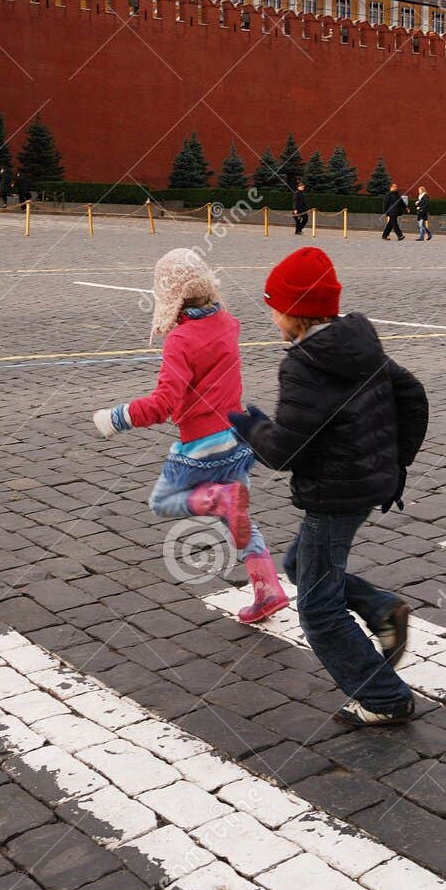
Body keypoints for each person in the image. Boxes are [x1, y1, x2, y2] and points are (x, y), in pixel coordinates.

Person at [229, 247, 428, 727]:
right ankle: (382, 609)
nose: (272, 315)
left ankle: (383, 698)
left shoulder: (305, 364)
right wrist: (393, 463)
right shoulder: (358, 344)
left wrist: (245, 423)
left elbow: (285, 453)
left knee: (317, 609)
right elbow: (413, 395)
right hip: (365, 485)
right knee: (300, 563)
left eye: (274, 306)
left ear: (294, 312)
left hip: (335, 495)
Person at [92, 249, 288, 626]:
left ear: (169, 294)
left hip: (201, 443)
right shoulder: (227, 323)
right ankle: (267, 588)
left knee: (164, 501)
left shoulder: (180, 340)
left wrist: (115, 418)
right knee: (239, 516)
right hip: (236, 436)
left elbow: (164, 403)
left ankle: (220, 498)